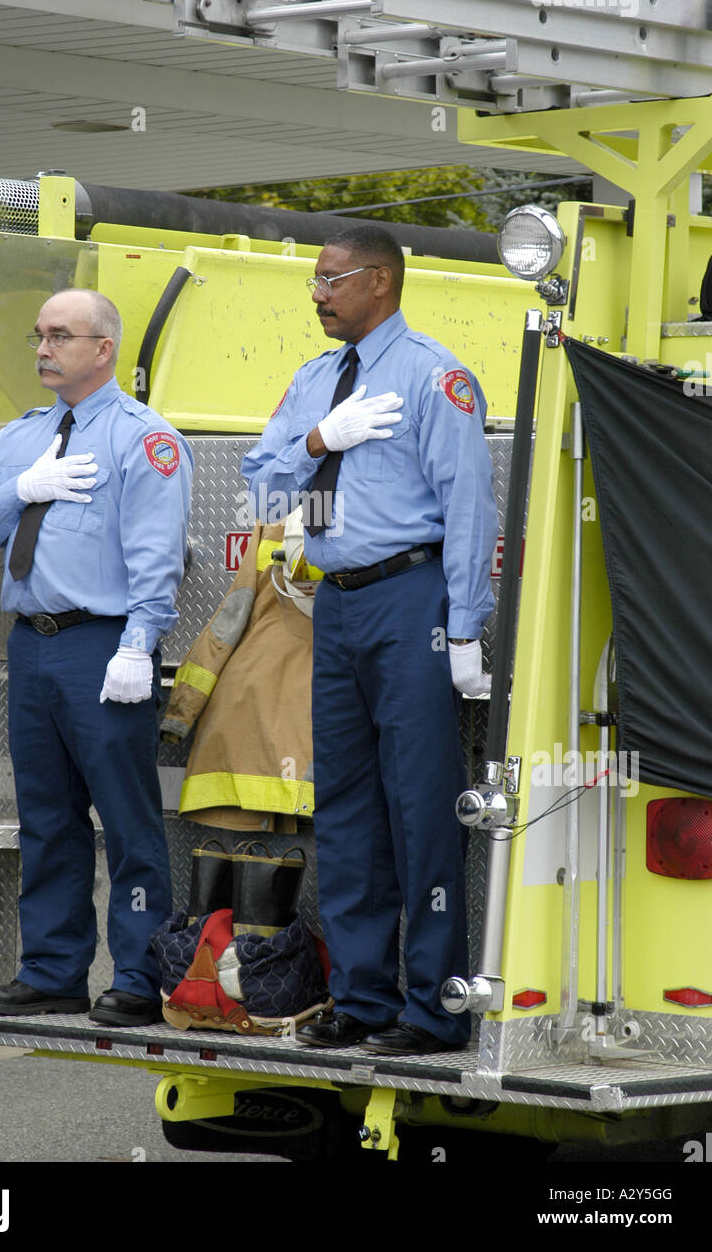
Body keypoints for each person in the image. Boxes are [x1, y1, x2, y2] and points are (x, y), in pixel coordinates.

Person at [240, 225, 498, 1056]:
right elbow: (260, 485)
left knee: (421, 806)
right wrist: (320, 439)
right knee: (345, 806)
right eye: (315, 281)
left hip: (408, 595)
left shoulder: (434, 376)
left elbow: (467, 508)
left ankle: (433, 1010)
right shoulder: (317, 381)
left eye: (331, 280)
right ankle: (362, 999)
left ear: (379, 281)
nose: (317, 294)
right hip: (337, 603)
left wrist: (465, 626)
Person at [0, 288, 192, 1027]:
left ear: (103, 348)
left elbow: (157, 558)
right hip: (32, 645)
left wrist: (137, 645)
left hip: (102, 646)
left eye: (60, 336)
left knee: (127, 822)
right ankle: (54, 970)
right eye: (38, 335)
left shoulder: (141, 438)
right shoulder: (22, 438)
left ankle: (138, 978)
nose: (43, 349)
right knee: (47, 818)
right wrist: (20, 490)